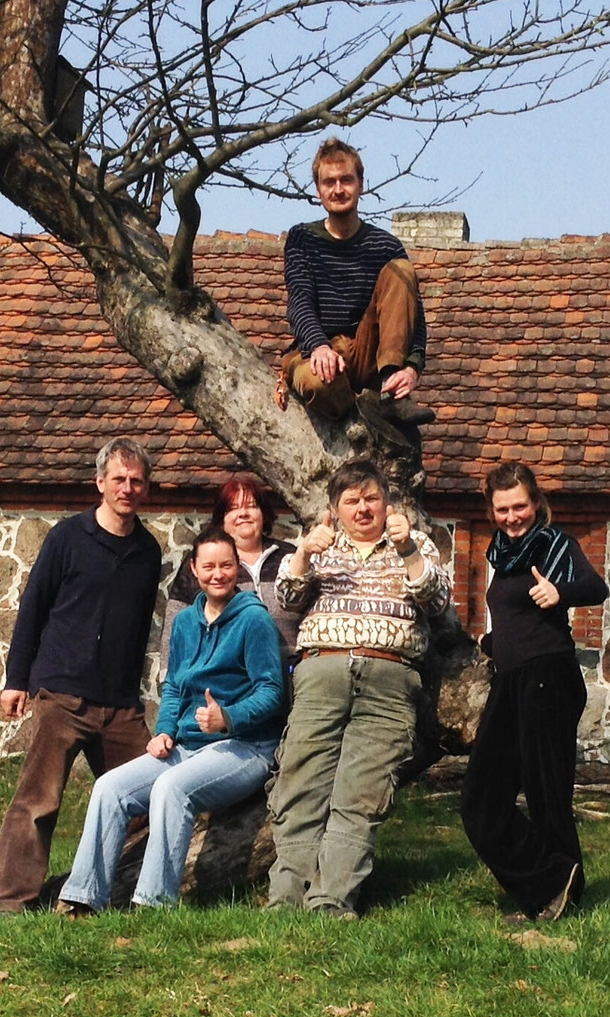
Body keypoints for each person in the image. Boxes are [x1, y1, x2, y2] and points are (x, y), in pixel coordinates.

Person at [56, 528, 287, 913]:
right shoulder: (185, 623)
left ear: (237, 570)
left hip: (246, 747)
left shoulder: (254, 621)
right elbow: (176, 687)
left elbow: (271, 691)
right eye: (209, 566)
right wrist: (164, 732)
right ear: (194, 570)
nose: (218, 574)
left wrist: (228, 717)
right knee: (109, 789)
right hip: (188, 746)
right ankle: (83, 899)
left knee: (171, 789)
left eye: (227, 566)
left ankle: (154, 904)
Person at [0, 438, 163, 914]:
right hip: (62, 694)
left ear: (146, 488)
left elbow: (140, 628)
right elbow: (33, 609)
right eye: (119, 479)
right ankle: (8, 900)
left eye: (136, 480)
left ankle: (118, 889)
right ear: (100, 483)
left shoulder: (147, 551)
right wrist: (16, 679)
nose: (128, 488)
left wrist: (138, 694)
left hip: (120, 705)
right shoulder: (66, 538)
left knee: (147, 800)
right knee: (38, 802)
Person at [268, 460, 450, 918]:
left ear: (387, 503)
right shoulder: (318, 545)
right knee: (299, 785)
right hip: (322, 673)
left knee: (361, 793)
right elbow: (287, 600)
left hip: (390, 678)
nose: (363, 508)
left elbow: (439, 601)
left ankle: (330, 899)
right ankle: (286, 898)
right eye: (352, 500)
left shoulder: (416, 543)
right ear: (335, 509)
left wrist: (407, 549)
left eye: (372, 498)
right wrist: (305, 554)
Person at [461, 461, 609, 923]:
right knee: (481, 799)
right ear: (492, 510)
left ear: (536, 502)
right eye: (502, 509)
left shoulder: (553, 543)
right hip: (512, 679)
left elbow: (594, 586)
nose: (512, 516)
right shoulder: (499, 553)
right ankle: (552, 879)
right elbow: (510, 617)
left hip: (547, 677)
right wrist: (489, 642)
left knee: (547, 792)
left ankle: (555, 894)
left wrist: (559, 595)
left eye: (520, 506)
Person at [276, 137, 433, 439]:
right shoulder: (302, 239)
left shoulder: (385, 245)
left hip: (369, 352)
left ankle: (391, 393)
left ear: (361, 184)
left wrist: (411, 369)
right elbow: (300, 303)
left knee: (401, 272)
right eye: (329, 182)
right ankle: (357, 409)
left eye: (346, 180)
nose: (338, 189)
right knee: (316, 382)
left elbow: (414, 318)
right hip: (322, 352)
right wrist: (318, 346)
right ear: (318, 189)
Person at [164, 473, 302, 675]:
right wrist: (169, 674)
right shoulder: (203, 562)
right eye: (233, 509)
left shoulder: (290, 557)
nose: (243, 514)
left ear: (263, 514)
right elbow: (175, 621)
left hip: (289, 670)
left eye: (251, 506)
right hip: (229, 672)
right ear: (222, 519)